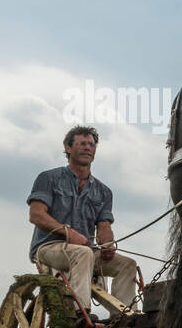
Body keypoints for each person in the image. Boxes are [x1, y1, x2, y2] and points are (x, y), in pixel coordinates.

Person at [27, 126, 138, 315]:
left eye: (92, 145)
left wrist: (108, 244)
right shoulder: (48, 178)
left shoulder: (104, 192)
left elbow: (104, 227)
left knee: (128, 264)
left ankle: (124, 317)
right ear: (68, 148)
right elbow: (36, 215)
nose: (88, 148)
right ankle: (80, 313)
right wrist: (69, 233)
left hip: (86, 252)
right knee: (83, 253)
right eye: (82, 143)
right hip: (48, 248)